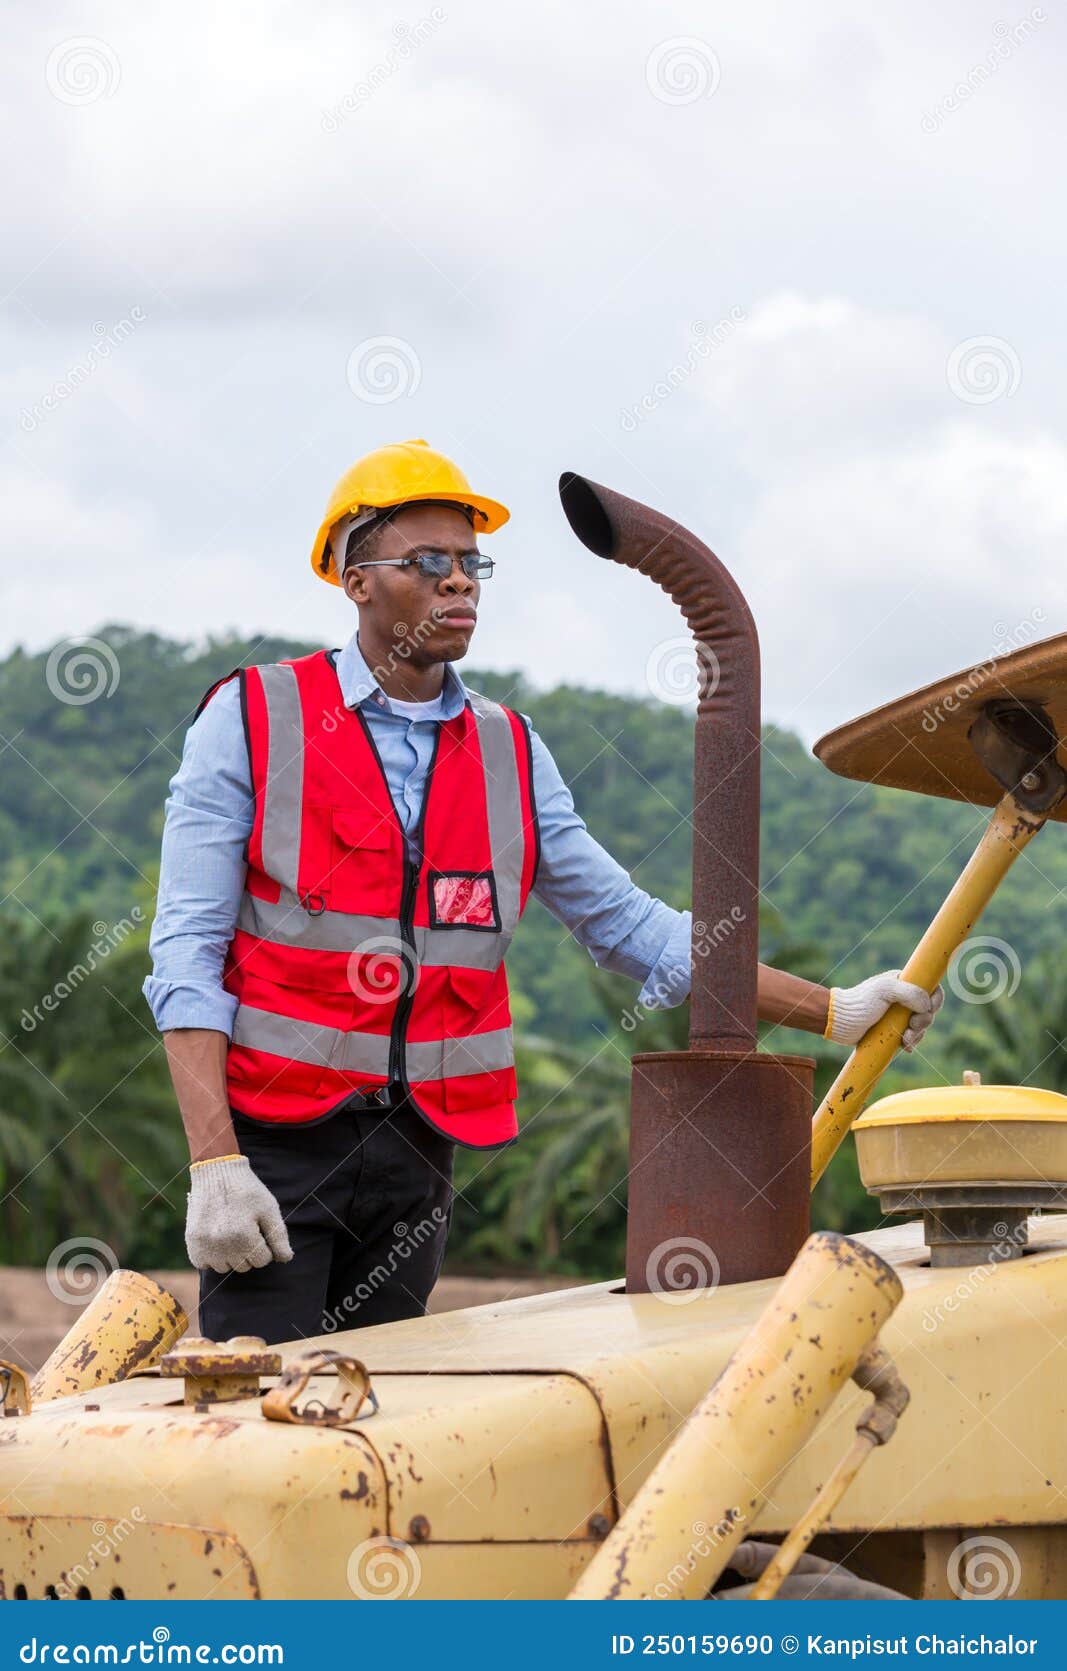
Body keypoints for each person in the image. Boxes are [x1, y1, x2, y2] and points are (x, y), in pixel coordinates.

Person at [144, 439, 942, 1343]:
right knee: (259, 1421)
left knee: (375, 1415)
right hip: (276, 1147)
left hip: (419, 1150)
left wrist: (833, 1010)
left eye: (472, 564)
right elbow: (186, 951)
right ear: (356, 581)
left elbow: (631, 928)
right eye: (429, 564)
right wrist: (216, 1163)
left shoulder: (509, 749)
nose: (460, 585)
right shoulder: (252, 718)